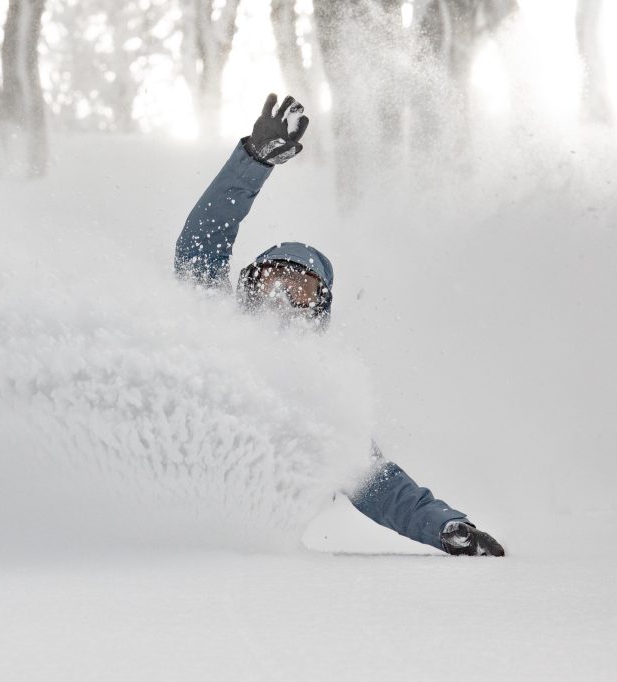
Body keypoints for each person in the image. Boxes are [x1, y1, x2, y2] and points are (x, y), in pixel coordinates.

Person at [174, 93, 505, 557]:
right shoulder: (211, 322)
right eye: (274, 279)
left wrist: (443, 526)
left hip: (244, 543)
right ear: (250, 283)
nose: (284, 297)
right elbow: (203, 238)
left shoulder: (315, 391)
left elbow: (372, 480)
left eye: (301, 290)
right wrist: (254, 161)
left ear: (319, 308)